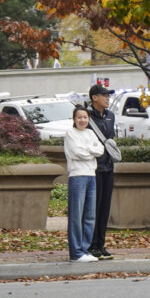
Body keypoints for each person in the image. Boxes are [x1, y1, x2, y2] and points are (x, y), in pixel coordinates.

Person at [64, 106, 105, 262]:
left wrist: (89, 150)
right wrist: (91, 150)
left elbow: (100, 149)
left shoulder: (90, 133)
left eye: (85, 117)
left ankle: (85, 249)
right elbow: (77, 152)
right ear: (74, 119)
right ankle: (76, 252)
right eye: (79, 117)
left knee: (89, 216)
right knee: (76, 216)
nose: (82, 120)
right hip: (77, 176)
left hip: (91, 176)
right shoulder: (70, 134)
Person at [86, 83, 117, 261]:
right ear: (94, 97)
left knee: (105, 207)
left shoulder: (110, 116)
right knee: (93, 208)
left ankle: (101, 244)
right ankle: (91, 244)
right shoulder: (87, 117)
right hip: (94, 168)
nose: (107, 98)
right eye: (104, 95)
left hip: (108, 167)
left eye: (108, 95)